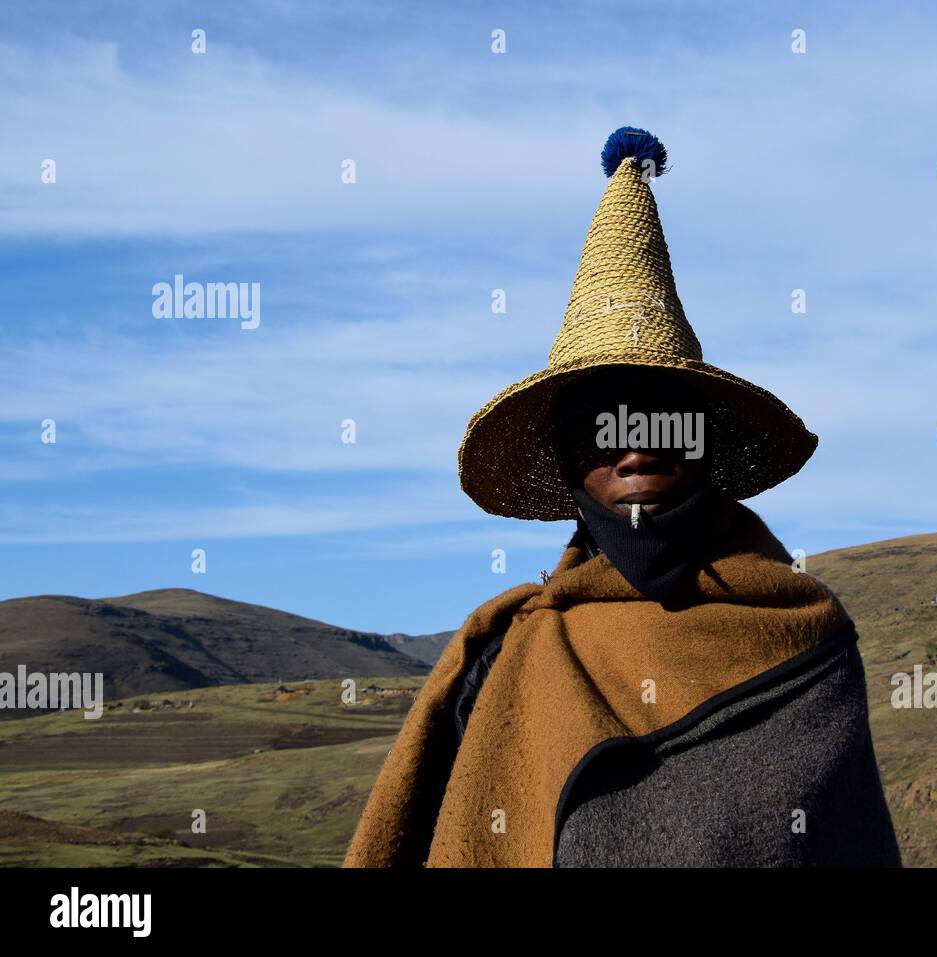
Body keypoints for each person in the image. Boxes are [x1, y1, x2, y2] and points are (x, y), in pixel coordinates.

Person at [342, 127, 901, 867]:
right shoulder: (511, 657)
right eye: (600, 423)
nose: (633, 442)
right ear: (571, 459)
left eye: (658, 415)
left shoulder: (807, 642)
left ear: (702, 439)